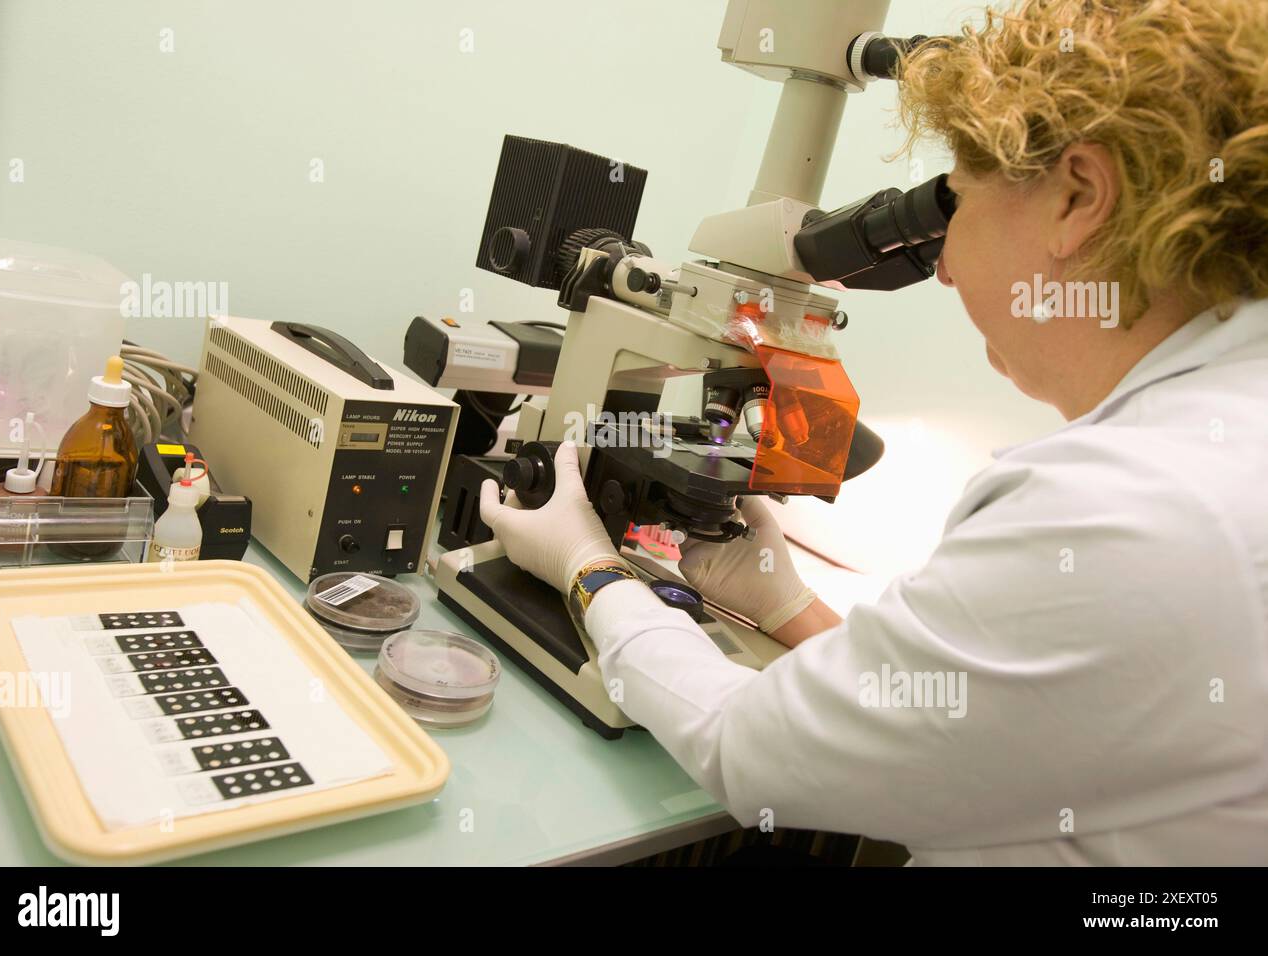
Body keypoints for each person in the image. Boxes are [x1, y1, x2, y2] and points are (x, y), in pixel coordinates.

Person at [478, 0, 1268, 865]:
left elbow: (752, 756)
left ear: (1079, 195)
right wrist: (792, 609)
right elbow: (1002, 702)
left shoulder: (1113, 510)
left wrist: (588, 570)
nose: (946, 266)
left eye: (954, 209)